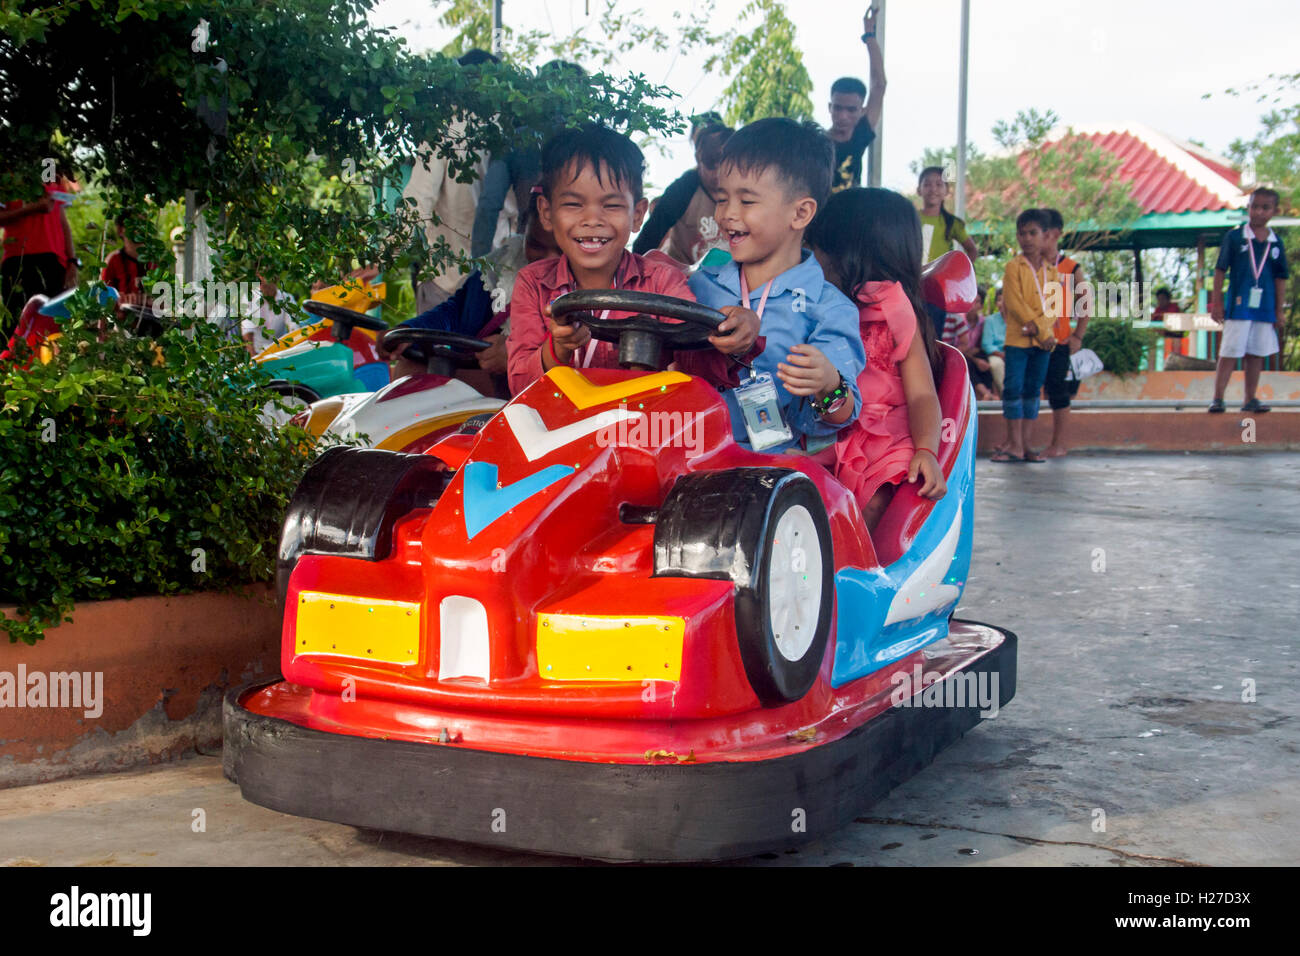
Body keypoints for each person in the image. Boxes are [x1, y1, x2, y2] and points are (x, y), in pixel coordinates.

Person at [506, 123, 760, 396]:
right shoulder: (533, 284)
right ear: (546, 212)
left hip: (642, 431)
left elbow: (700, 363)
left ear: (638, 214)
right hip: (557, 433)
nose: (592, 219)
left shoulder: (662, 281)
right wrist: (557, 349)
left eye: (612, 205)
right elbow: (520, 385)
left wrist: (739, 334)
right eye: (573, 204)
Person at [689, 117, 865, 451]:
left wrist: (829, 382)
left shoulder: (828, 309)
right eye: (722, 198)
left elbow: (842, 413)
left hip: (763, 479)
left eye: (747, 201)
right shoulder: (698, 286)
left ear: (800, 214)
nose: (726, 214)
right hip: (684, 454)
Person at [806, 187, 946, 529]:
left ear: (849, 254)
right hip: (827, 428)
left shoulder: (895, 311)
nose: (809, 258)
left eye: (817, 251)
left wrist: (927, 450)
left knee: (875, 500)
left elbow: (922, 394)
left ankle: (860, 572)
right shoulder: (814, 304)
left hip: (881, 437)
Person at [386, 187, 561, 396]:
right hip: (476, 381)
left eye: (559, 251)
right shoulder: (499, 267)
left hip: (528, 399)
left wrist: (516, 355)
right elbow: (456, 311)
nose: (546, 260)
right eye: (536, 246)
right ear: (523, 234)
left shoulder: (577, 288)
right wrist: (411, 329)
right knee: (409, 368)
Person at [404, 49, 501, 312]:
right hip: (499, 286)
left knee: (436, 350)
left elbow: (419, 199)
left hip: (448, 282)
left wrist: (380, 259)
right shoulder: (512, 131)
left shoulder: (445, 127)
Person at [471, 60, 587, 258]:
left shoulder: (514, 140)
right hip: (585, 250)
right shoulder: (593, 141)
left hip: (533, 248)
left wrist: (479, 264)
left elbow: (489, 204)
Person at [1209, 187, 1288, 413]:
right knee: (1230, 351)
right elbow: (1220, 270)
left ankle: (1249, 399)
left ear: (1275, 210)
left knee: (1256, 352)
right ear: (1248, 207)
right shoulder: (1234, 237)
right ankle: (1218, 398)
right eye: (1255, 206)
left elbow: (1281, 278)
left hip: (1265, 308)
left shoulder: (1276, 242)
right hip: (1239, 305)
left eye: (1265, 207)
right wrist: (1217, 303)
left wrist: (1279, 310)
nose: (1259, 212)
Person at [991, 209, 1058, 463]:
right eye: (1022, 233)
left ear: (1046, 236)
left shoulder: (1052, 272)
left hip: (1043, 343)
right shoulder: (1013, 267)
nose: (1027, 238)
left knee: (1032, 391)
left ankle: (1027, 444)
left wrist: (1041, 330)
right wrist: (1041, 330)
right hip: (1018, 341)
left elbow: (1053, 307)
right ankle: (1015, 444)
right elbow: (1014, 303)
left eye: (1033, 233)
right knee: (1013, 389)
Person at [632, 121, 733, 264]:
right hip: (684, 277)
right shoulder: (683, 189)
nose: (718, 171)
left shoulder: (745, 184)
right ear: (698, 157)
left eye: (723, 161)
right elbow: (648, 238)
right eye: (710, 160)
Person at [0, 166, 78, 338]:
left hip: (54, 259)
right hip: (18, 257)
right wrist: (31, 209)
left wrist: (72, 261)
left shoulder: (50, 170)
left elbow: (60, 217)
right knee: (17, 326)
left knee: (57, 327)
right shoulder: (9, 169)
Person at [1040, 208, 1089, 458]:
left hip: (1059, 341)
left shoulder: (1070, 268)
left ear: (1055, 234)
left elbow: (1085, 300)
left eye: (1043, 231)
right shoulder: (1025, 264)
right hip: (1030, 342)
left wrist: (1078, 335)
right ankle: (1018, 443)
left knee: (1058, 392)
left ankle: (1059, 444)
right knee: (1025, 391)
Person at [828, 7, 886, 193]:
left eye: (851, 110)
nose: (843, 116)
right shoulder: (818, 142)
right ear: (829, 108)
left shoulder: (861, 132)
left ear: (862, 110)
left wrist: (869, 37)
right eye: (838, 108)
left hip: (852, 209)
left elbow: (879, 85)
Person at [917, 166, 979, 265]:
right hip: (911, 278)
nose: (933, 189)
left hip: (938, 280)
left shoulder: (952, 223)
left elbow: (972, 251)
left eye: (939, 184)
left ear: (947, 191)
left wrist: (955, 271)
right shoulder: (911, 219)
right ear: (919, 190)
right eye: (927, 184)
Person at [101, 215, 153, 307]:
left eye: (144, 224)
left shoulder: (155, 261)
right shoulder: (113, 260)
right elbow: (102, 301)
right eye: (134, 224)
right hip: (123, 320)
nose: (140, 229)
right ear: (120, 230)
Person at [241, 276, 297, 355]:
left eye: (266, 284)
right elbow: (247, 329)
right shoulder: (250, 299)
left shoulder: (286, 298)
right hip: (258, 351)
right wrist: (252, 354)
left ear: (275, 280)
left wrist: (294, 346)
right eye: (260, 283)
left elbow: (294, 325)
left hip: (281, 350)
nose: (262, 287)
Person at [981, 286, 1007, 396]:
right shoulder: (991, 320)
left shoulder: (1019, 320)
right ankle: (1006, 394)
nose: (1003, 303)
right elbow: (986, 344)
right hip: (996, 354)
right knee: (996, 364)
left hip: (1016, 353)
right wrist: (1001, 354)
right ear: (996, 303)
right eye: (1000, 300)